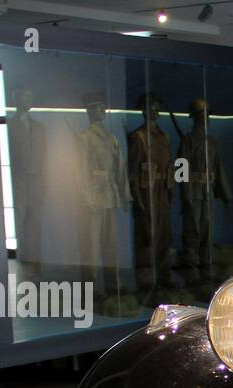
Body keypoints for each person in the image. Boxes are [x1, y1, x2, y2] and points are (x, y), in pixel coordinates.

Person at [173, 98, 232, 288]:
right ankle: (192, 272)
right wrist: (187, 195)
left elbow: (219, 168)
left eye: (207, 115)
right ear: (195, 118)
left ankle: (207, 270)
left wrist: (225, 194)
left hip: (207, 192)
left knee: (207, 232)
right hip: (194, 193)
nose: (206, 119)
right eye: (202, 115)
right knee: (192, 233)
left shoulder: (212, 142)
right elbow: (181, 171)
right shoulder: (188, 141)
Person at [74, 92, 126, 298]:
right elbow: (79, 172)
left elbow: (120, 168)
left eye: (103, 107)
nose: (102, 111)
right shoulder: (83, 139)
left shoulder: (111, 138)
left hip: (109, 196)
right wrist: (86, 197)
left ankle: (113, 283)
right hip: (93, 199)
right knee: (91, 246)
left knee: (110, 244)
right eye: (97, 107)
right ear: (88, 110)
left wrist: (125, 194)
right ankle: (91, 287)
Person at [128, 93, 175, 305]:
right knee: (147, 238)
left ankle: (164, 278)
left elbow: (171, 165)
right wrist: (137, 197)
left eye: (157, 106)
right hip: (147, 194)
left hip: (162, 192)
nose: (155, 111)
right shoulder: (139, 137)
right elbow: (133, 171)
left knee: (164, 237)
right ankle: (146, 283)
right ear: (144, 110)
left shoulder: (163, 137)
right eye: (152, 107)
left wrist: (170, 189)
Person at [7, 87, 46, 277]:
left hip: (35, 185)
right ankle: (20, 272)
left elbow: (45, 160)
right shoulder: (8, 126)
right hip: (17, 184)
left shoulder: (39, 127)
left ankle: (35, 273)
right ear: (15, 97)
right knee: (19, 228)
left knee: (35, 229)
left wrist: (44, 187)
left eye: (30, 95)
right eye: (24, 94)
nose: (28, 98)